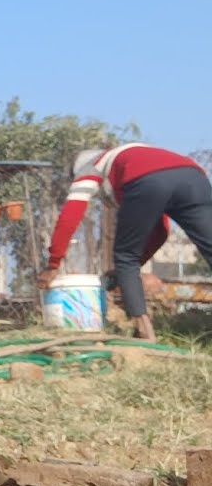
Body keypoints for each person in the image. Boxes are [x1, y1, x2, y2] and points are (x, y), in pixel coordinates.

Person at [38, 144, 212, 341]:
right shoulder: (130, 155)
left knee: (124, 255)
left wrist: (53, 264)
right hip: (194, 177)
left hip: (147, 180)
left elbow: (70, 215)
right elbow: (160, 231)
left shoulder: (89, 166)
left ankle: (145, 332)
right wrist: (131, 269)